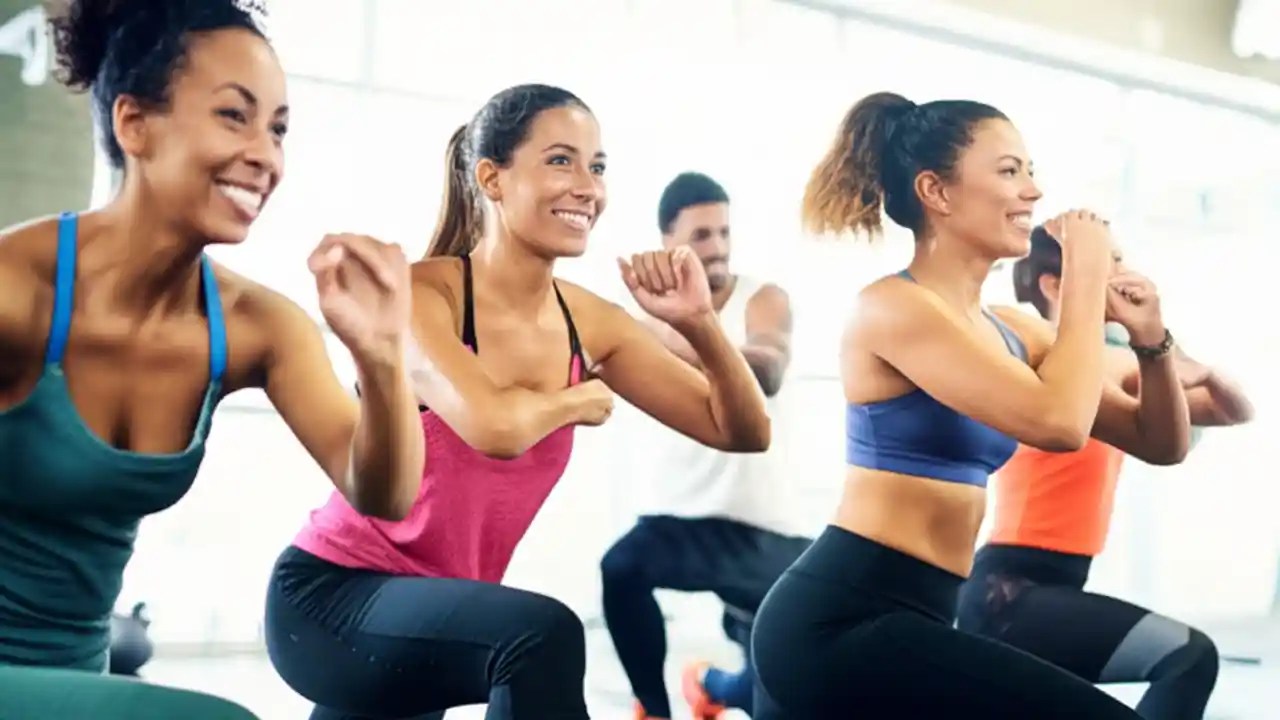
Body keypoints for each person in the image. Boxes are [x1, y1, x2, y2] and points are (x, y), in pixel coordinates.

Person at [263, 85, 772, 720]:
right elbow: (492, 425)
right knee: (540, 637)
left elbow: (743, 429)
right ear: (492, 178)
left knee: (527, 641)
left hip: (429, 614)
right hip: (332, 598)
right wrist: (576, 399)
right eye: (561, 160)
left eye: (598, 166)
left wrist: (700, 324)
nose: (588, 185)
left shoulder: (590, 322)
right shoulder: (423, 295)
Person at [0, 0, 424, 717]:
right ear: (134, 124)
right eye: (235, 116)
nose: (266, 155)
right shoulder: (17, 290)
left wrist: (383, 356)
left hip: (79, 677)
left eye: (279, 128)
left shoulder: (258, 327)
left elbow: (384, 494)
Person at [749, 91, 1194, 718]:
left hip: (929, 610)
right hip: (842, 618)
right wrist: (1087, 273)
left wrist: (1152, 341)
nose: (1034, 192)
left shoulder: (1016, 330)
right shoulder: (893, 309)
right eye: (1010, 170)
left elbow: (1161, 444)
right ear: (937, 191)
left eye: (1031, 171)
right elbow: (1059, 425)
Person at [954, 226, 1254, 720]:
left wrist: (1169, 349)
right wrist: (1164, 356)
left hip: (1049, 590)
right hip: (1009, 594)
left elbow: (1233, 411)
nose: (1123, 275)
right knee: (1189, 657)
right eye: (1105, 266)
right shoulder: (1043, 357)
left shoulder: (1110, 364)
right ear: (1054, 287)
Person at [600, 172, 810, 720]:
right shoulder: (640, 321)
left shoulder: (762, 299)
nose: (717, 248)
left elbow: (766, 370)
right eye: (701, 236)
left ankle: (714, 686)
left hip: (765, 530)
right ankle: (653, 707)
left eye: (723, 233)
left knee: (780, 696)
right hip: (680, 521)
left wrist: (687, 332)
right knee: (620, 569)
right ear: (669, 242)